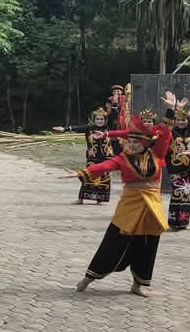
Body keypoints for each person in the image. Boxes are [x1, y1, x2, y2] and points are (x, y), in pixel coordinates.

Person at [61, 109, 172, 298]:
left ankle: (138, 285)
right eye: (129, 142)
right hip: (129, 207)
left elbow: (165, 136)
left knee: (147, 246)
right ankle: (88, 278)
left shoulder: (157, 154)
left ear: (146, 143)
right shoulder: (123, 158)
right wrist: (81, 173)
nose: (131, 145)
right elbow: (105, 165)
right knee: (113, 243)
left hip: (151, 209)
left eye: (136, 142)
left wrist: (169, 111)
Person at [161, 90, 190, 230]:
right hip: (176, 169)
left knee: (187, 196)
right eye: (178, 120)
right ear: (175, 121)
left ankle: (183, 222)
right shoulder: (171, 132)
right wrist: (173, 108)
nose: (181, 122)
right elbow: (165, 127)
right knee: (177, 194)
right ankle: (173, 222)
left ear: (188, 120)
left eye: (184, 120)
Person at [52, 106, 118, 204]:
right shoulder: (89, 128)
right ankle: (81, 198)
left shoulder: (108, 129)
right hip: (93, 158)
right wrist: (64, 129)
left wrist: (115, 104)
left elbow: (114, 116)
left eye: (101, 119)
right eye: (97, 119)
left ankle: (100, 198)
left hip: (106, 158)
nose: (99, 121)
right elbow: (77, 128)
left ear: (105, 120)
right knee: (87, 175)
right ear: (94, 120)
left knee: (104, 178)